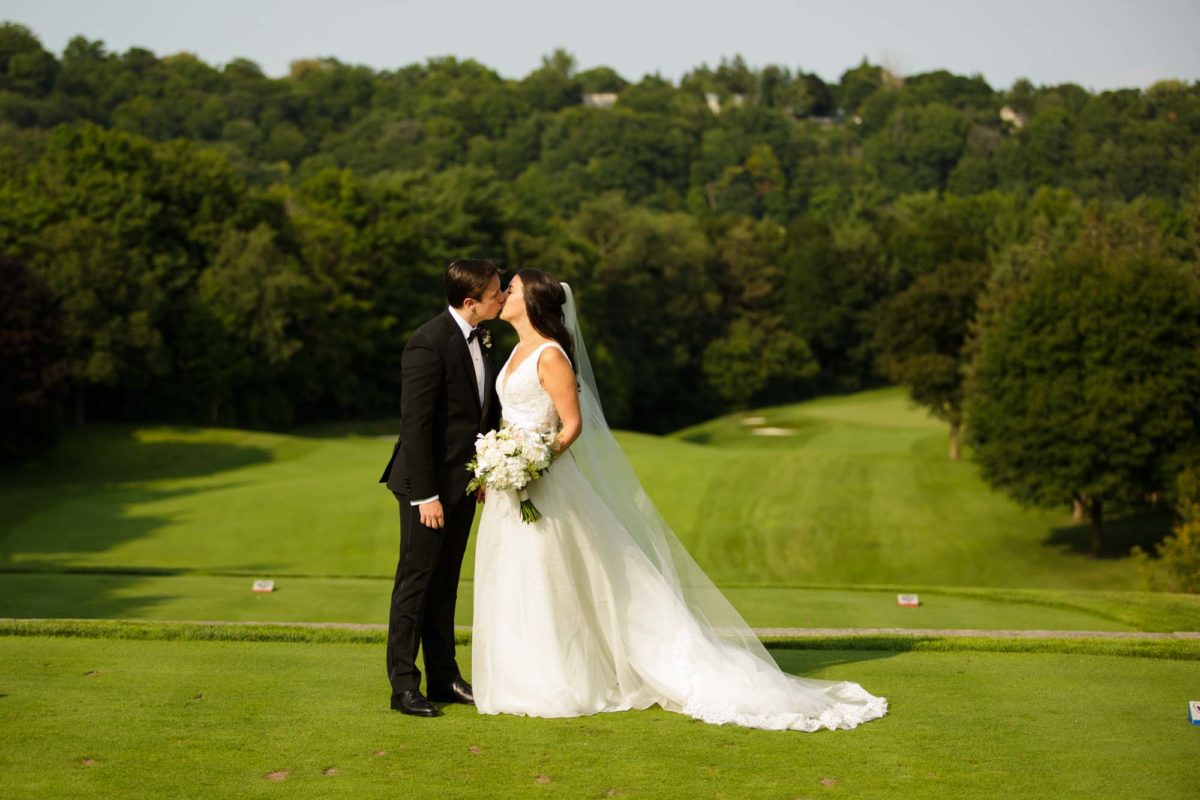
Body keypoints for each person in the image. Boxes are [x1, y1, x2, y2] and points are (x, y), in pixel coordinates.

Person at [472, 269, 888, 731]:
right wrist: (499, 463)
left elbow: (571, 425)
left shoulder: (550, 354)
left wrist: (533, 462)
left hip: (545, 480)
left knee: (552, 573)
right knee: (518, 573)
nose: (503, 293)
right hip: (511, 484)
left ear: (532, 299)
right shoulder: (515, 351)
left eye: (511, 287)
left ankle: (560, 680)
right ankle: (522, 676)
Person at [379, 259, 505, 717]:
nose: (503, 298)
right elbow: (415, 427)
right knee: (415, 583)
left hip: (463, 484)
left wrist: (484, 472)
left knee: (446, 583)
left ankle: (443, 677)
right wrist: (424, 495)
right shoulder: (427, 343)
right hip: (426, 489)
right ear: (471, 302)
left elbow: (481, 413)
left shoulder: (484, 338)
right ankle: (403, 686)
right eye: (496, 293)